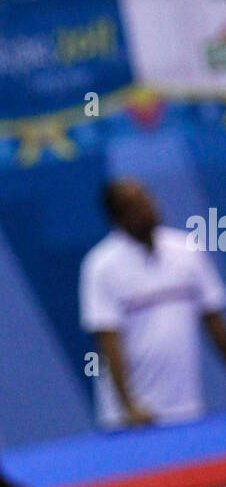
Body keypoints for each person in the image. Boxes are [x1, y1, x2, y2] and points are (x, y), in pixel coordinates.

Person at [79, 179, 226, 427]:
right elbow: (108, 341)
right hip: (134, 417)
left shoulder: (187, 250)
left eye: (146, 200)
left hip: (187, 406)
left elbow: (215, 324)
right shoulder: (100, 266)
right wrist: (129, 406)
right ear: (117, 217)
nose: (145, 209)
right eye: (132, 206)